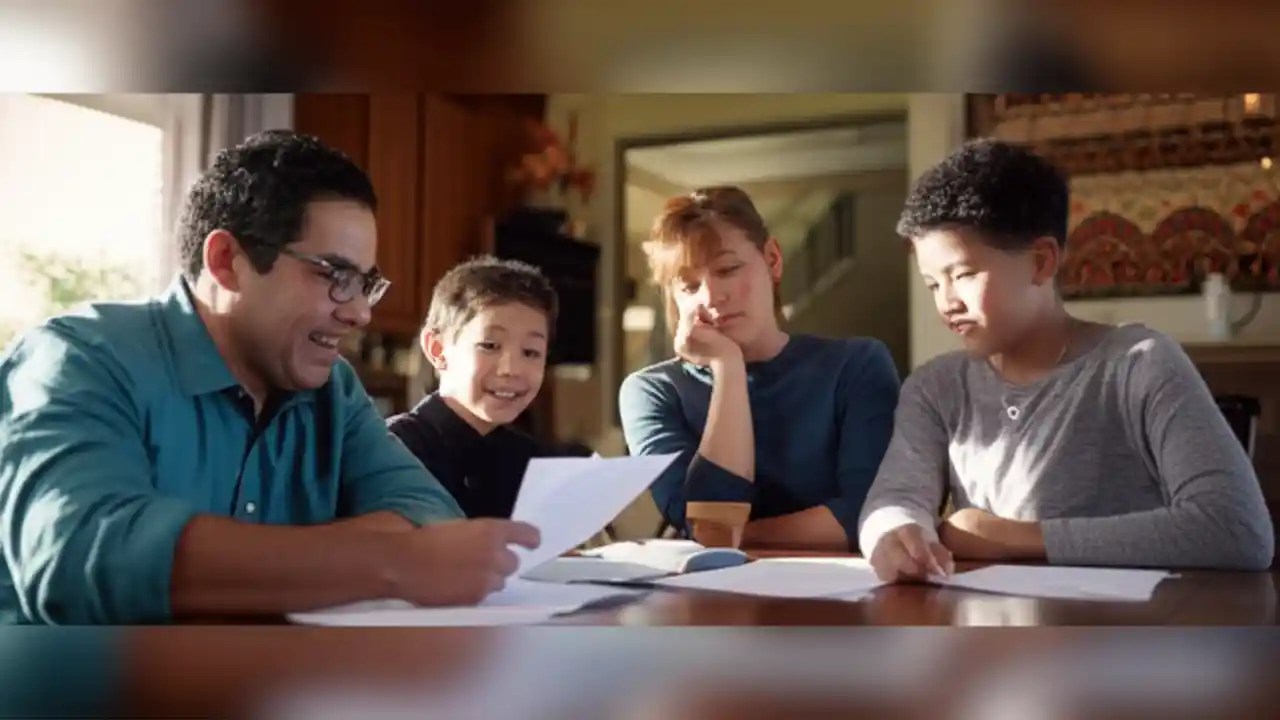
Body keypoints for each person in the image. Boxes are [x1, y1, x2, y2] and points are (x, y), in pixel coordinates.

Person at [0, 130, 538, 624]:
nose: (359, 313)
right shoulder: (78, 358)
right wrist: (385, 561)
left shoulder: (335, 391)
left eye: (365, 284)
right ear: (227, 261)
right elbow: (75, 556)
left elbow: (428, 513)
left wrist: (288, 565)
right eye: (334, 276)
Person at [858, 139, 1274, 581]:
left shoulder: (1140, 364)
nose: (947, 303)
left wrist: (1011, 537)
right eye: (932, 284)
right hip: (992, 638)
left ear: (1041, 262)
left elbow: (1238, 529)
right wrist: (896, 531)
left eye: (962, 275)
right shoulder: (935, 387)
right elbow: (894, 499)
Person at [618, 186, 900, 551]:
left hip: (840, 592)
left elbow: (869, 513)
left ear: (773, 259)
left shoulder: (857, 365)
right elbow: (702, 516)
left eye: (728, 269)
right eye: (688, 287)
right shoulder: (652, 391)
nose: (711, 297)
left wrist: (731, 536)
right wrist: (728, 369)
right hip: (712, 597)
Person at [388, 256, 558, 518]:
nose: (511, 368)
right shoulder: (394, 448)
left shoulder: (529, 459)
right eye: (489, 346)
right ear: (437, 349)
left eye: (531, 352)